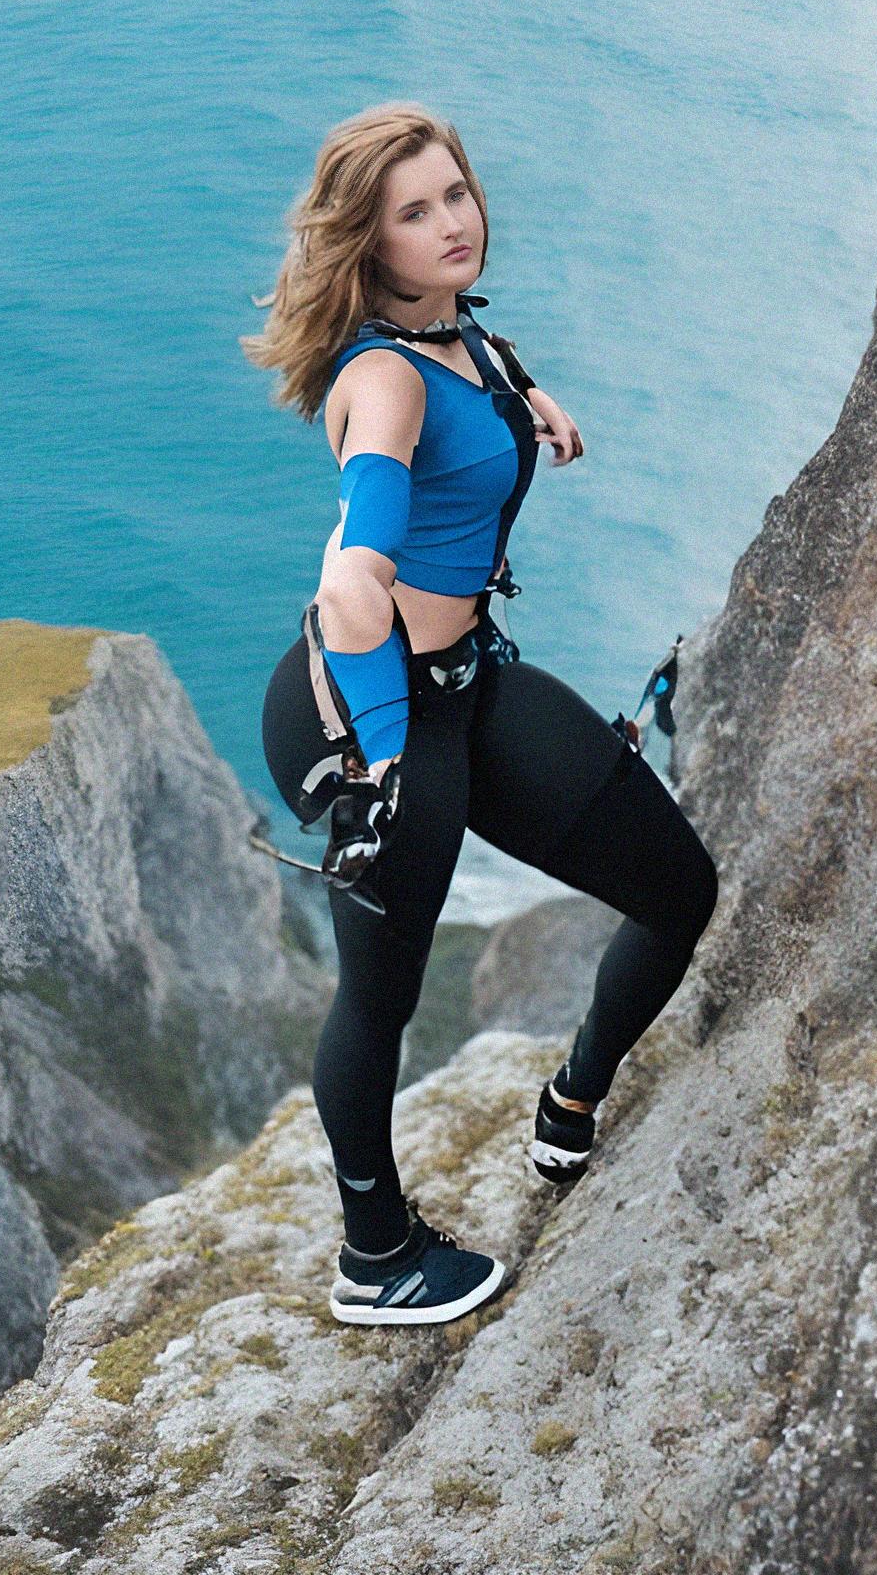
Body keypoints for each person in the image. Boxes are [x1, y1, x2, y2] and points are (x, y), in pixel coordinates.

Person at [249, 103, 718, 1328]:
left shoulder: (455, 336)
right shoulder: (382, 381)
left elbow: (469, 372)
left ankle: (571, 1099)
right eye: (412, 213)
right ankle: (373, 1257)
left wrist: (528, 401)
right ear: (369, 245)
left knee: (677, 890)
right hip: (371, 717)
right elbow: (353, 579)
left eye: (453, 193)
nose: (449, 223)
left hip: (467, 685)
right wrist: (384, 762)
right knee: (379, 999)